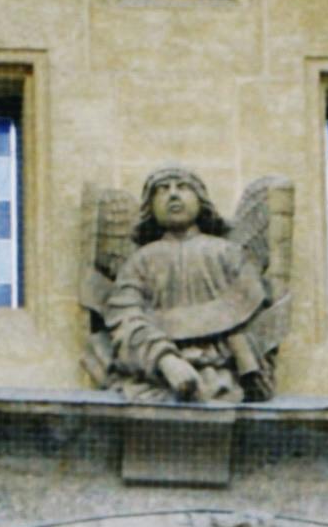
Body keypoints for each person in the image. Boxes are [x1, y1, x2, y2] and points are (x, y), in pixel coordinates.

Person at [94, 168, 280, 403]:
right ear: (150, 207)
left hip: (224, 379)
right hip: (154, 380)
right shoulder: (140, 261)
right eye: (162, 190)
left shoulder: (228, 254)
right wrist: (166, 361)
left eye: (182, 187)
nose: (172, 195)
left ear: (200, 200)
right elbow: (125, 320)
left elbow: (254, 314)